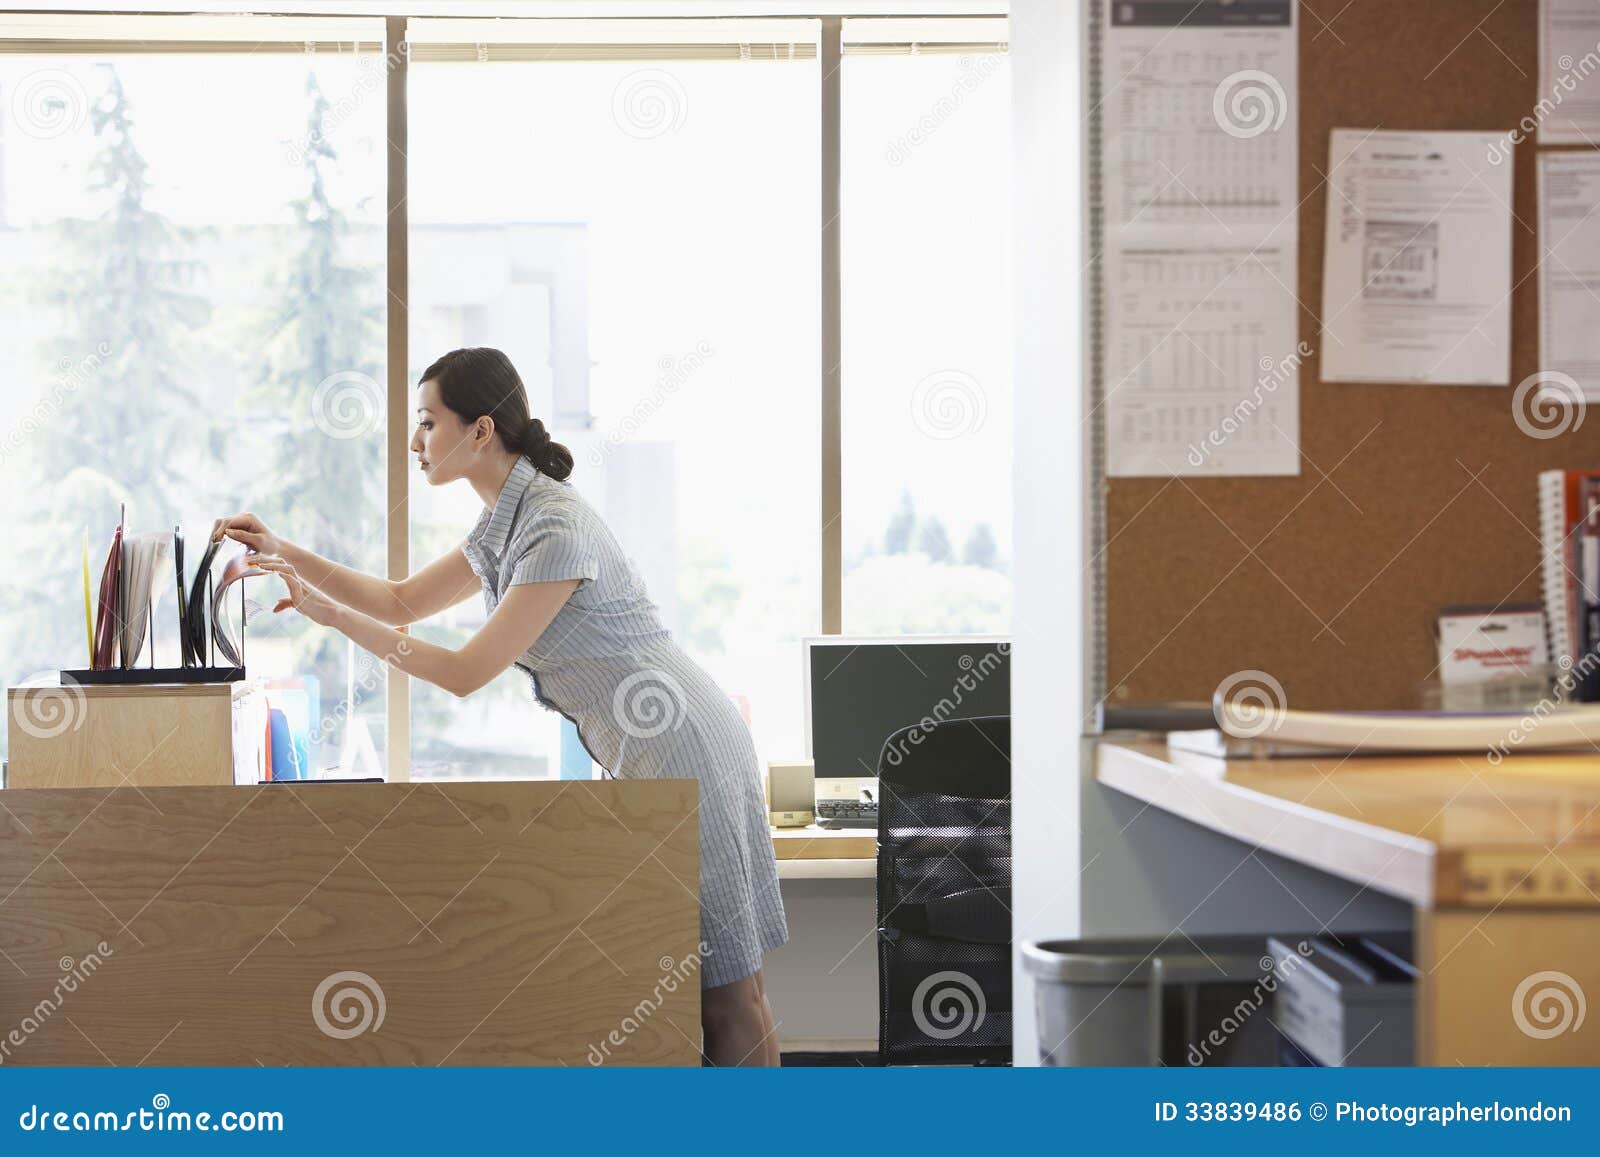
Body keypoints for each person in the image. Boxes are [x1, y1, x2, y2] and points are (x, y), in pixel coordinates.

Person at [215, 347, 787, 1066]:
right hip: (659, 740)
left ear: (481, 430)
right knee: (714, 984)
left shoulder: (551, 524)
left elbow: (464, 671)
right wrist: (283, 551)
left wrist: (326, 616)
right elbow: (402, 600)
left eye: (428, 422)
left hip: (682, 742)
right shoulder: (506, 518)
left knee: (727, 992)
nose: (415, 442)